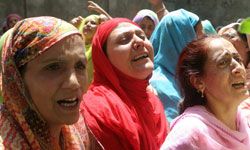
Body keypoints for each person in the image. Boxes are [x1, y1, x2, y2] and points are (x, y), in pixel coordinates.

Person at [0, 16, 91, 149]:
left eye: (80, 66)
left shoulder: (74, 136)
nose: (74, 83)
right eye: (53, 67)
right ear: (17, 79)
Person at [80, 18, 168, 149]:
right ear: (104, 58)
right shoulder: (96, 112)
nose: (139, 42)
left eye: (142, 36)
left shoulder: (152, 101)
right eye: (124, 40)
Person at [161, 35, 250, 149]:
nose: (238, 68)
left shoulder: (245, 120)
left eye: (238, 59)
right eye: (223, 62)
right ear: (198, 82)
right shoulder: (189, 135)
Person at [149, 9, 204, 122]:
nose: (203, 45)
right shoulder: (158, 85)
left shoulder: (193, 79)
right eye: (199, 38)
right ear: (183, 39)